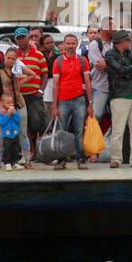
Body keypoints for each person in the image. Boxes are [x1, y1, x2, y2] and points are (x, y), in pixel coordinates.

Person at [51, 33, 93, 170]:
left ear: (76, 44)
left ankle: (81, 159)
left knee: (79, 131)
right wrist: (55, 106)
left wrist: (90, 104)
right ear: (63, 44)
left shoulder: (83, 61)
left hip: (79, 100)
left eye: (72, 43)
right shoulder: (57, 62)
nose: (70, 46)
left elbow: (87, 83)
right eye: (67, 43)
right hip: (63, 100)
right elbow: (55, 85)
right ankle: (62, 160)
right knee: (61, 132)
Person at [104, 30, 132, 169]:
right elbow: (119, 70)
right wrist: (130, 70)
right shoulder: (110, 55)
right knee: (118, 130)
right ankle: (115, 159)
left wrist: (129, 71)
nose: (129, 43)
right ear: (122, 42)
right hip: (119, 95)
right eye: (128, 41)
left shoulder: (130, 54)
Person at [16, 27, 48, 157]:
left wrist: (41, 89)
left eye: (23, 37)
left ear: (28, 39)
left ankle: (38, 150)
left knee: (37, 123)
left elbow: (45, 74)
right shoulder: (14, 55)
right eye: (18, 38)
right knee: (23, 125)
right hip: (19, 95)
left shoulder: (38, 54)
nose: (21, 40)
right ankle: (28, 151)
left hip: (34, 94)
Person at [85, 21, 115, 129]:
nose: (115, 29)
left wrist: (109, 63)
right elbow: (100, 67)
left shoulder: (116, 42)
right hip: (100, 86)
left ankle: (109, 142)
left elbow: (124, 63)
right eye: (113, 26)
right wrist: (117, 64)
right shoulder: (95, 44)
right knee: (96, 115)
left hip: (116, 86)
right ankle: (91, 142)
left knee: (116, 117)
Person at [0, 97, 24, 172]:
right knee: (7, 149)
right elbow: (2, 123)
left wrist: (14, 114)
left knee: (16, 149)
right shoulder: (1, 112)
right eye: (8, 103)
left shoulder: (15, 111)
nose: (11, 104)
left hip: (15, 134)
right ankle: (7, 163)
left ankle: (15, 162)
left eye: (12, 102)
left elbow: (18, 121)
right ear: (3, 104)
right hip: (7, 135)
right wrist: (8, 115)